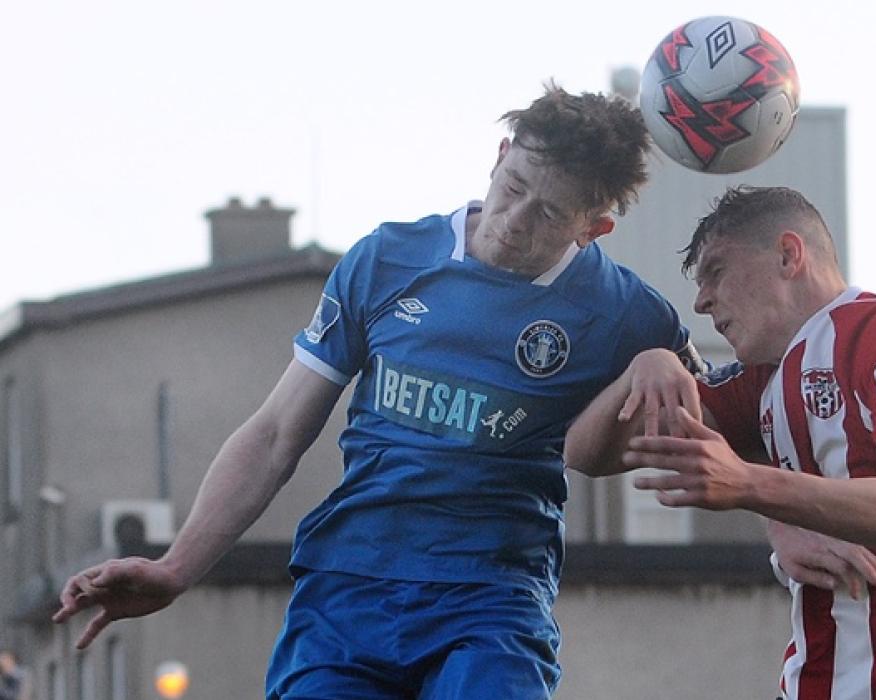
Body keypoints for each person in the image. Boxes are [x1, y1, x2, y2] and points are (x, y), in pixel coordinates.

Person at [52, 84, 701, 699]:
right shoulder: (388, 259)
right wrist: (175, 568)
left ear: (593, 228)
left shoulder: (626, 315)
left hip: (491, 601)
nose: (514, 221)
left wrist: (659, 363)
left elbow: (726, 426)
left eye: (550, 213)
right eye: (514, 188)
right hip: (349, 589)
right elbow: (277, 433)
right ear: (500, 157)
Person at [565, 186, 876, 699]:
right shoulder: (763, 379)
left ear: (788, 255)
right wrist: (648, 365)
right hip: (815, 682)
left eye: (716, 272)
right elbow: (587, 452)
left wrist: (748, 484)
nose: (701, 301)